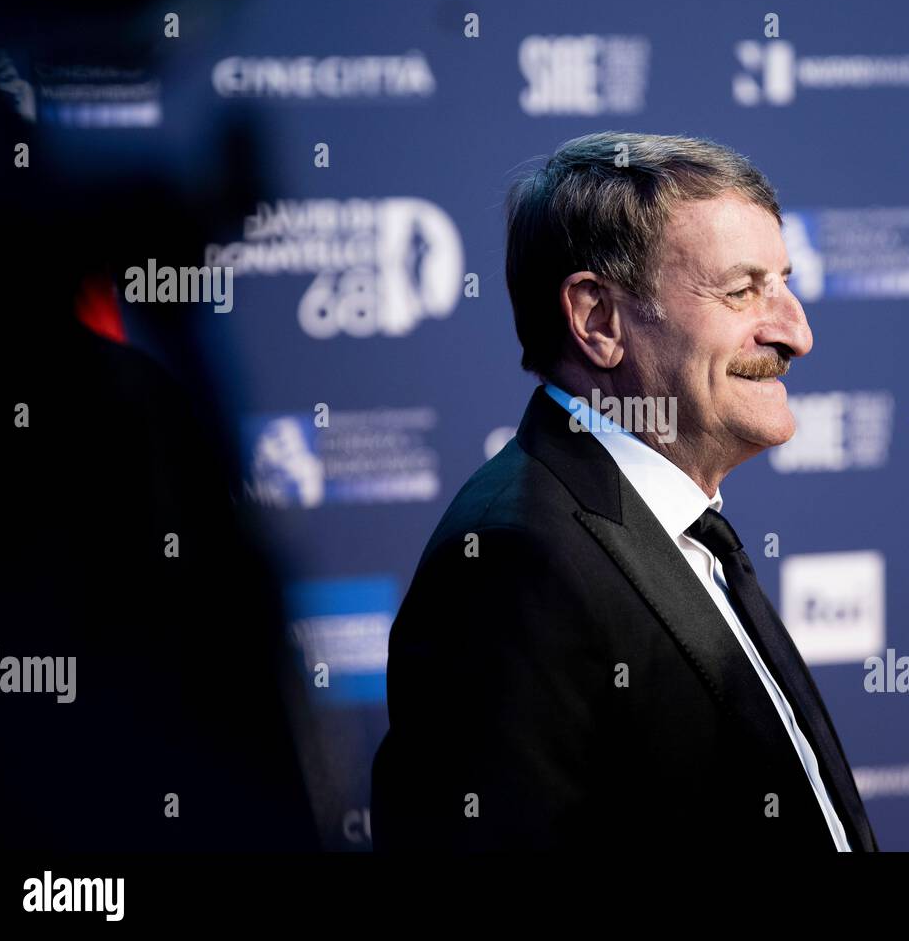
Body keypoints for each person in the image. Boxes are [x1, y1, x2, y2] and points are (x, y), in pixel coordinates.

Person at [372, 131, 877, 852]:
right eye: (742, 291)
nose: (797, 332)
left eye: (786, 282)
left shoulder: (687, 528)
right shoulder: (514, 564)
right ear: (598, 321)